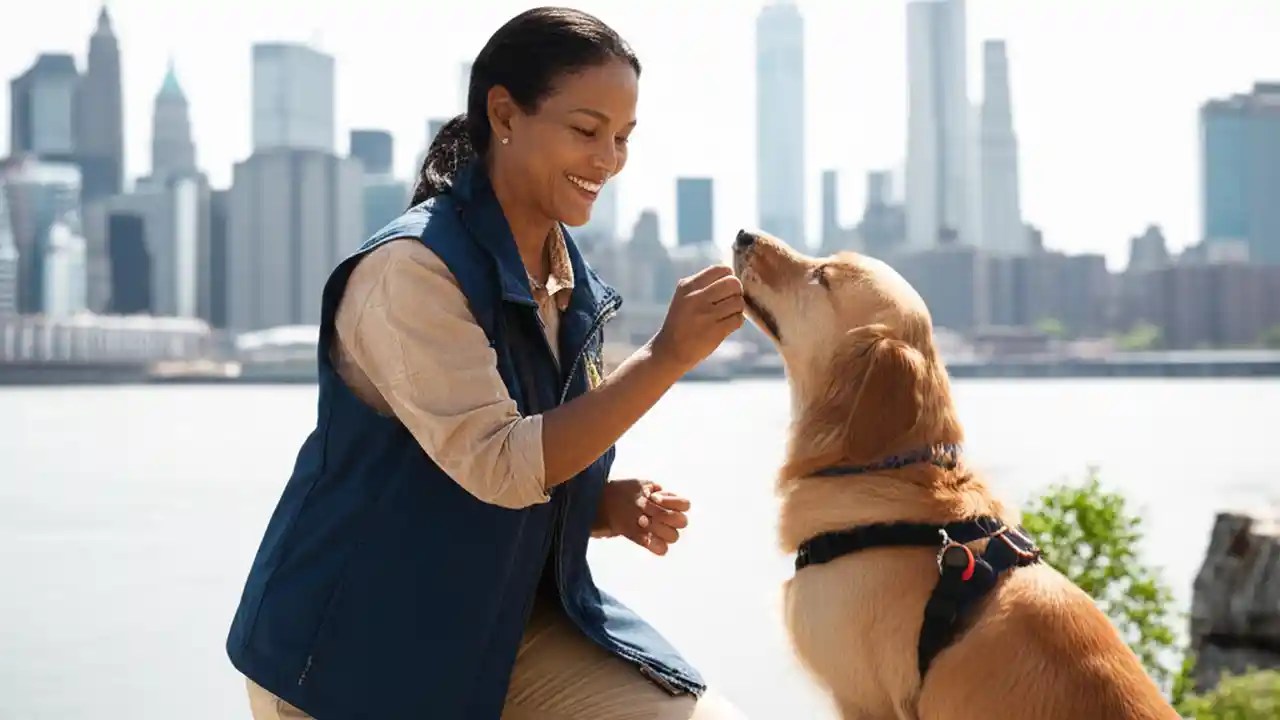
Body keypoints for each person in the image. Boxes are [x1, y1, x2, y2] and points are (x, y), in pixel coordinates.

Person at [225, 7, 747, 719]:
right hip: (354, 656)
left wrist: (597, 504)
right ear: (505, 112)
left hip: (498, 628)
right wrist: (666, 355)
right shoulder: (410, 271)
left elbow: (510, 457)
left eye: (623, 138)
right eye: (587, 131)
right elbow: (501, 463)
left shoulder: (571, 279)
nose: (608, 160)